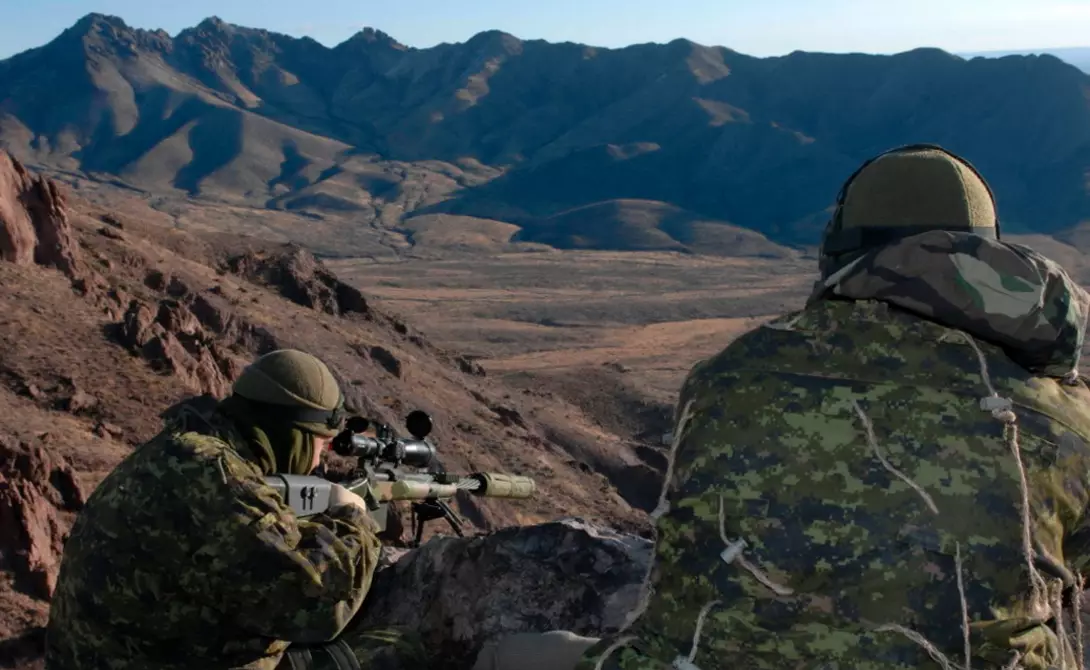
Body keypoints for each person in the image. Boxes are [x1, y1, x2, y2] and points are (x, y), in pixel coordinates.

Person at [475, 144, 1090, 670]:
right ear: (988, 260)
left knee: (505, 657)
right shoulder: (1059, 419)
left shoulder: (728, 375)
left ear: (838, 249)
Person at [45, 349, 428, 670]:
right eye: (320, 445)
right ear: (290, 434)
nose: (319, 461)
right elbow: (318, 608)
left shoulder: (181, 449)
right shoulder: (220, 478)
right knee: (398, 648)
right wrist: (353, 517)